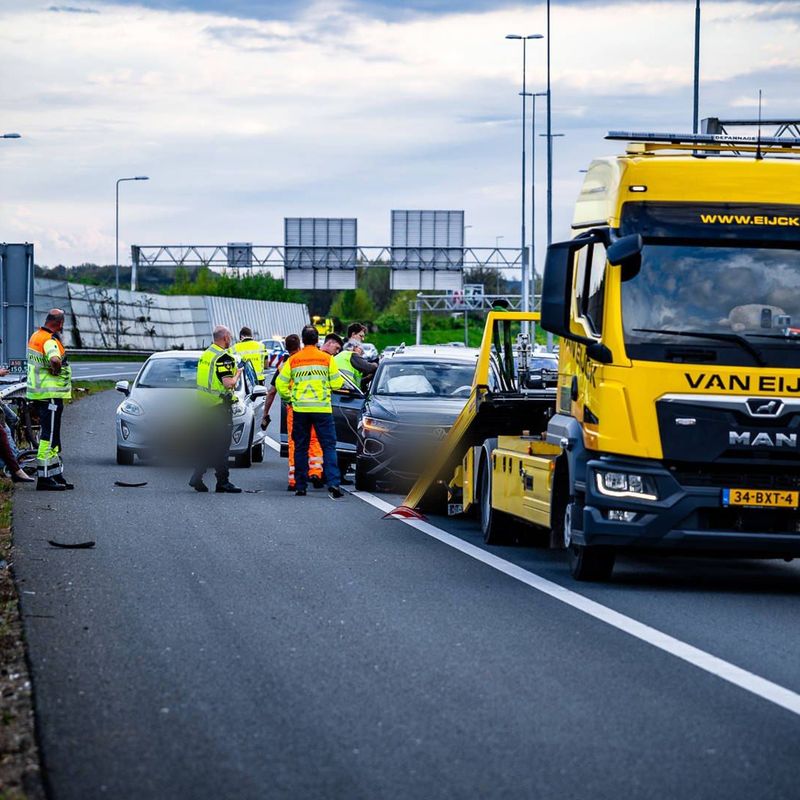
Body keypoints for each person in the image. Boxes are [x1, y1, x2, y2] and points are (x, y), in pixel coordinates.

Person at [276, 325, 344, 499]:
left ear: (303, 340)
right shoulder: (327, 359)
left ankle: (300, 486)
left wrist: (290, 398)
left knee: (300, 447)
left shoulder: (294, 360)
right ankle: (334, 484)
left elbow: (281, 384)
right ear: (317, 340)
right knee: (328, 446)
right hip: (322, 409)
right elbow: (337, 383)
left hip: (300, 409)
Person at [261, 333, 324, 490]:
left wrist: (266, 413)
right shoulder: (312, 360)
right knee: (314, 440)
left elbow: (272, 392)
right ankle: (315, 472)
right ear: (300, 345)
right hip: (316, 407)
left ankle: (294, 480)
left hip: (295, 409)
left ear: (286, 348)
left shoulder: (284, 366)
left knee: (294, 443)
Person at [189, 325, 243, 494]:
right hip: (219, 408)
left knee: (206, 445)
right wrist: (238, 374)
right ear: (225, 337)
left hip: (204, 406)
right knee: (222, 447)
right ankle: (223, 482)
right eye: (230, 337)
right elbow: (228, 383)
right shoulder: (224, 357)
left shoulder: (206, 354)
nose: (231, 339)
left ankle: (197, 476)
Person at [26, 309, 73, 491]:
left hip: (39, 394)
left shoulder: (36, 336)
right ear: (60, 323)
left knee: (53, 436)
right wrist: (57, 368)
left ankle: (54, 473)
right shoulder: (49, 340)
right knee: (49, 436)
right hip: (50, 395)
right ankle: (45, 478)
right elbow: (54, 360)